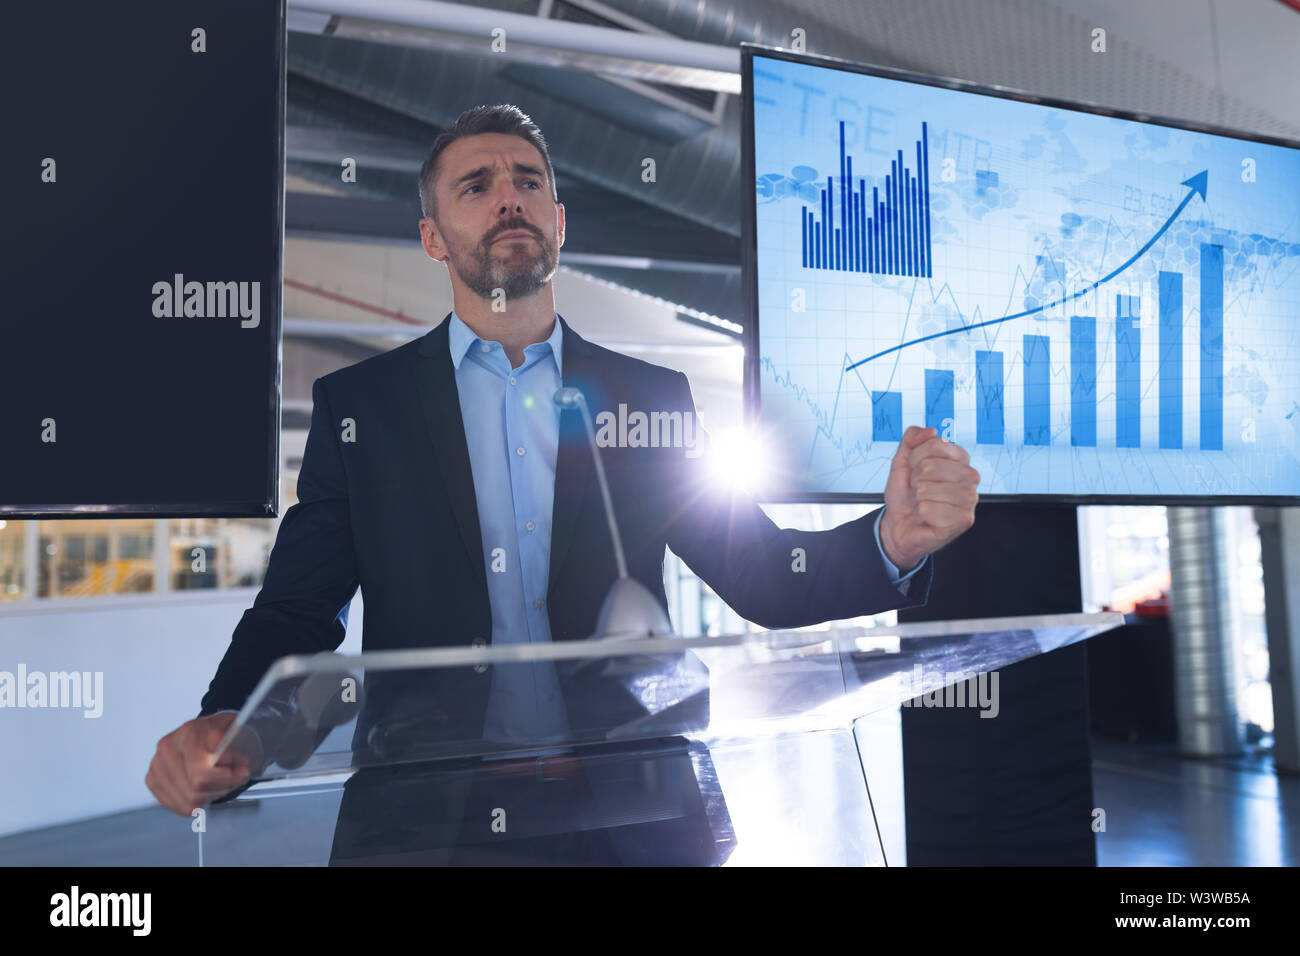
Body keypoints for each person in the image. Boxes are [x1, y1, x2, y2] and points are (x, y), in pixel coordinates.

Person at [145, 105, 979, 861]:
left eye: (529, 181)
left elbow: (760, 572)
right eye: (477, 185)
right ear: (433, 238)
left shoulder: (649, 398)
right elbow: (298, 610)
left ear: (559, 221)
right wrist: (229, 722)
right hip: (430, 826)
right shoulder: (364, 408)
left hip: (632, 818)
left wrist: (889, 542)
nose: (510, 198)